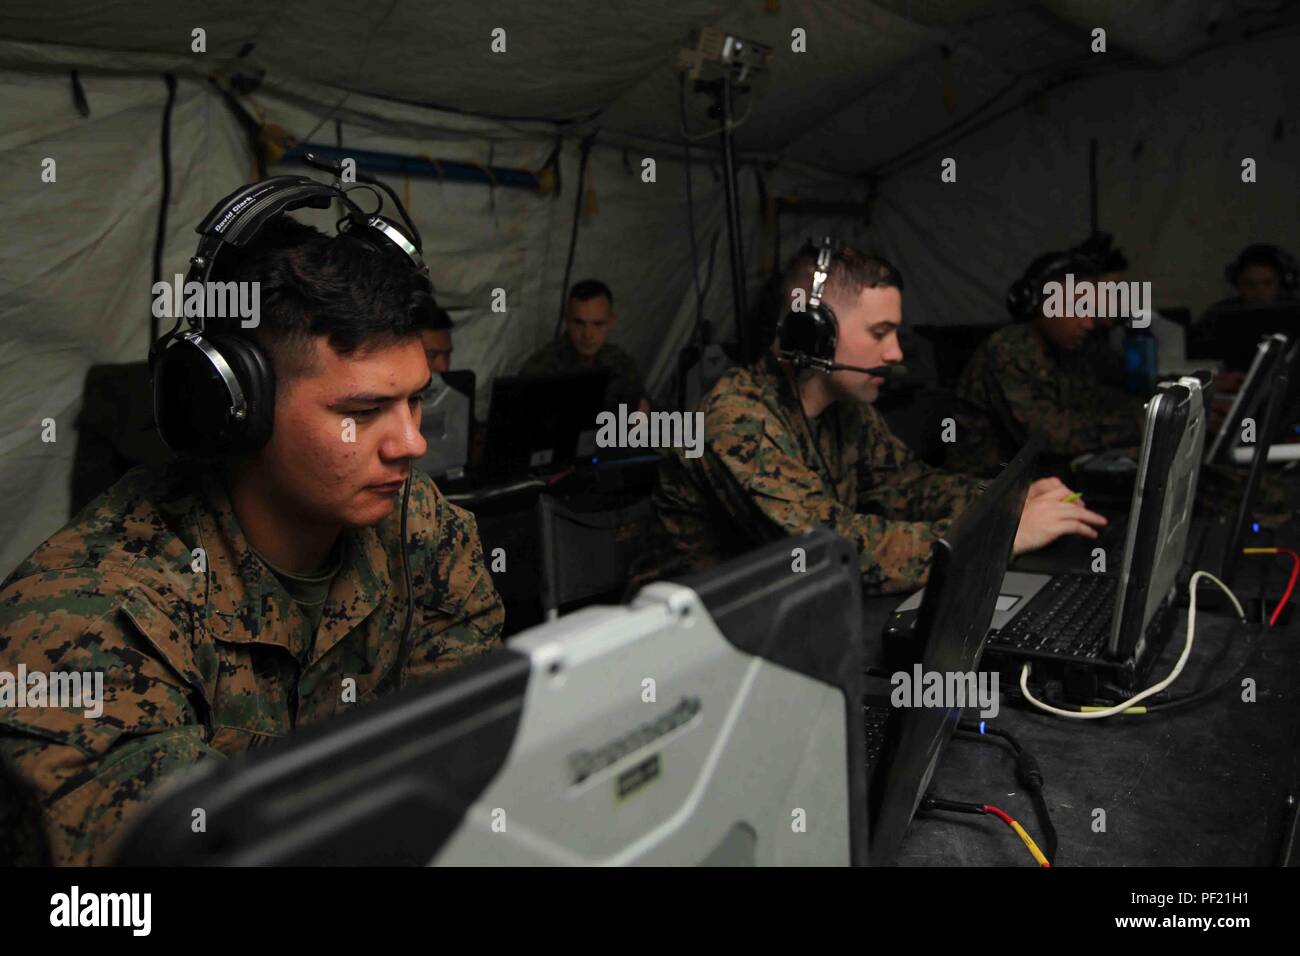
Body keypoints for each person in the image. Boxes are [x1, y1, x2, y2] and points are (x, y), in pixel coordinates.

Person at [0, 215, 504, 865]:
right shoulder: (84, 624)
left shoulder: (418, 526)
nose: (411, 443)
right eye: (361, 413)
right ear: (238, 407)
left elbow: (468, 754)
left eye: (415, 401)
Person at [649, 243, 1107, 594]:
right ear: (813, 334)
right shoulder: (734, 420)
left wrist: (1005, 499)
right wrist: (999, 534)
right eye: (879, 333)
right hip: (700, 647)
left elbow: (910, 488)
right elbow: (830, 550)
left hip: (789, 615)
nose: (896, 353)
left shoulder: (846, 410)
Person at [947, 248, 1146, 479]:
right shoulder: (1008, 349)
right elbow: (1050, 436)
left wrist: (1147, 410)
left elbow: (1095, 401)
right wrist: (1136, 425)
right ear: (1039, 303)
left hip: (1035, 474)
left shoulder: (1065, 349)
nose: (1089, 323)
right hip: (985, 486)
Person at [520, 279, 650, 413]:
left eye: (598, 324)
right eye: (579, 323)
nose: (588, 334)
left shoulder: (619, 362)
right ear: (567, 321)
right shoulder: (541, 370)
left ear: (611, 322)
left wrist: (642, 415)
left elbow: (643, 406)